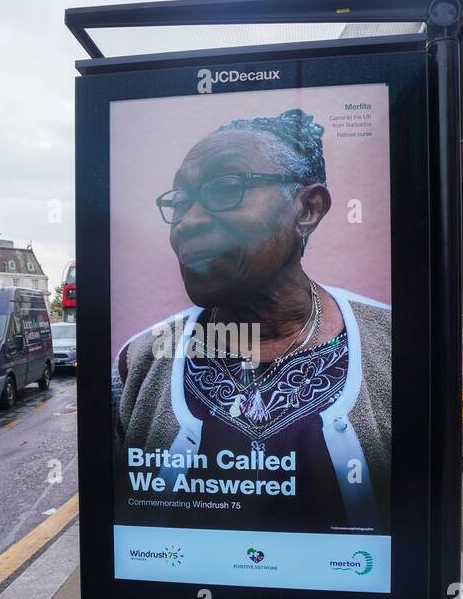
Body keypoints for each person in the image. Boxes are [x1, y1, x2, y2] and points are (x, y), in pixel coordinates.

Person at [112, 108, 390, 529]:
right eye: (181, 201)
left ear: (308, 208)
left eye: (227, 188)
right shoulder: (140, 361)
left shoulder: (395, 346)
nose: (188, 222)